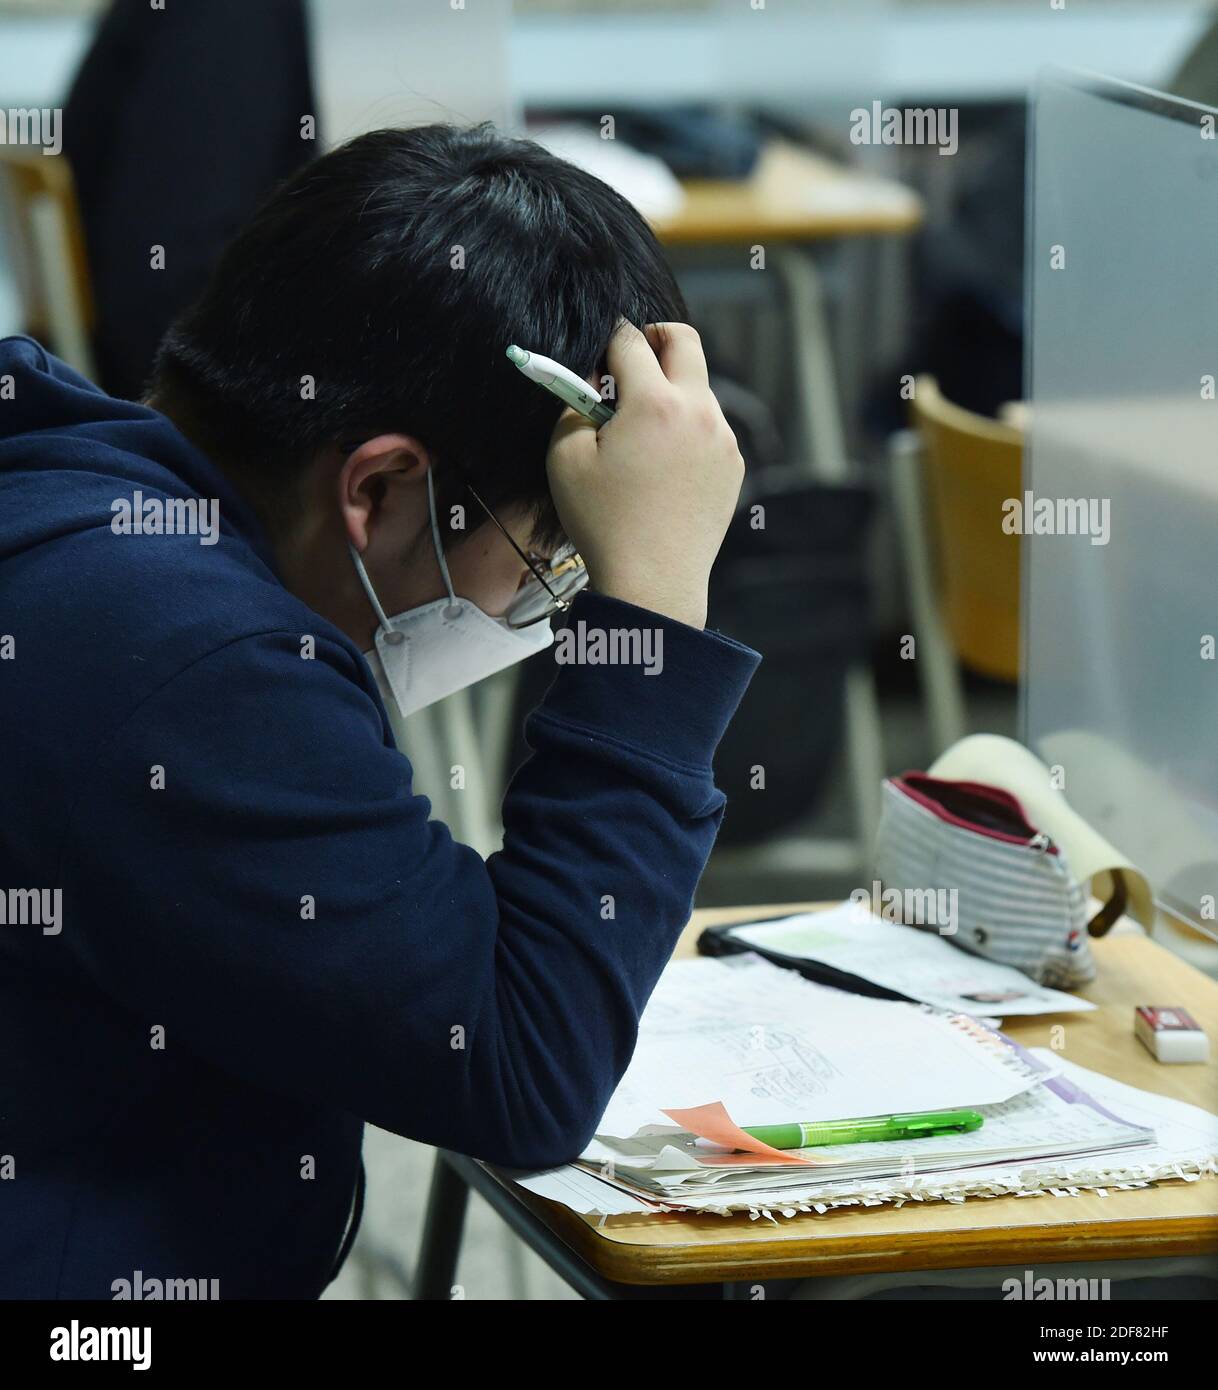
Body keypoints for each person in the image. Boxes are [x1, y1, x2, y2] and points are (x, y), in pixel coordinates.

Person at [0, 124, 757, 1298]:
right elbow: (522, 1068)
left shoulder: (73, 493)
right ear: (380, 488)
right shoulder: (194, 666)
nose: (541, 603)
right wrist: (651, 607)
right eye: (545, 554)